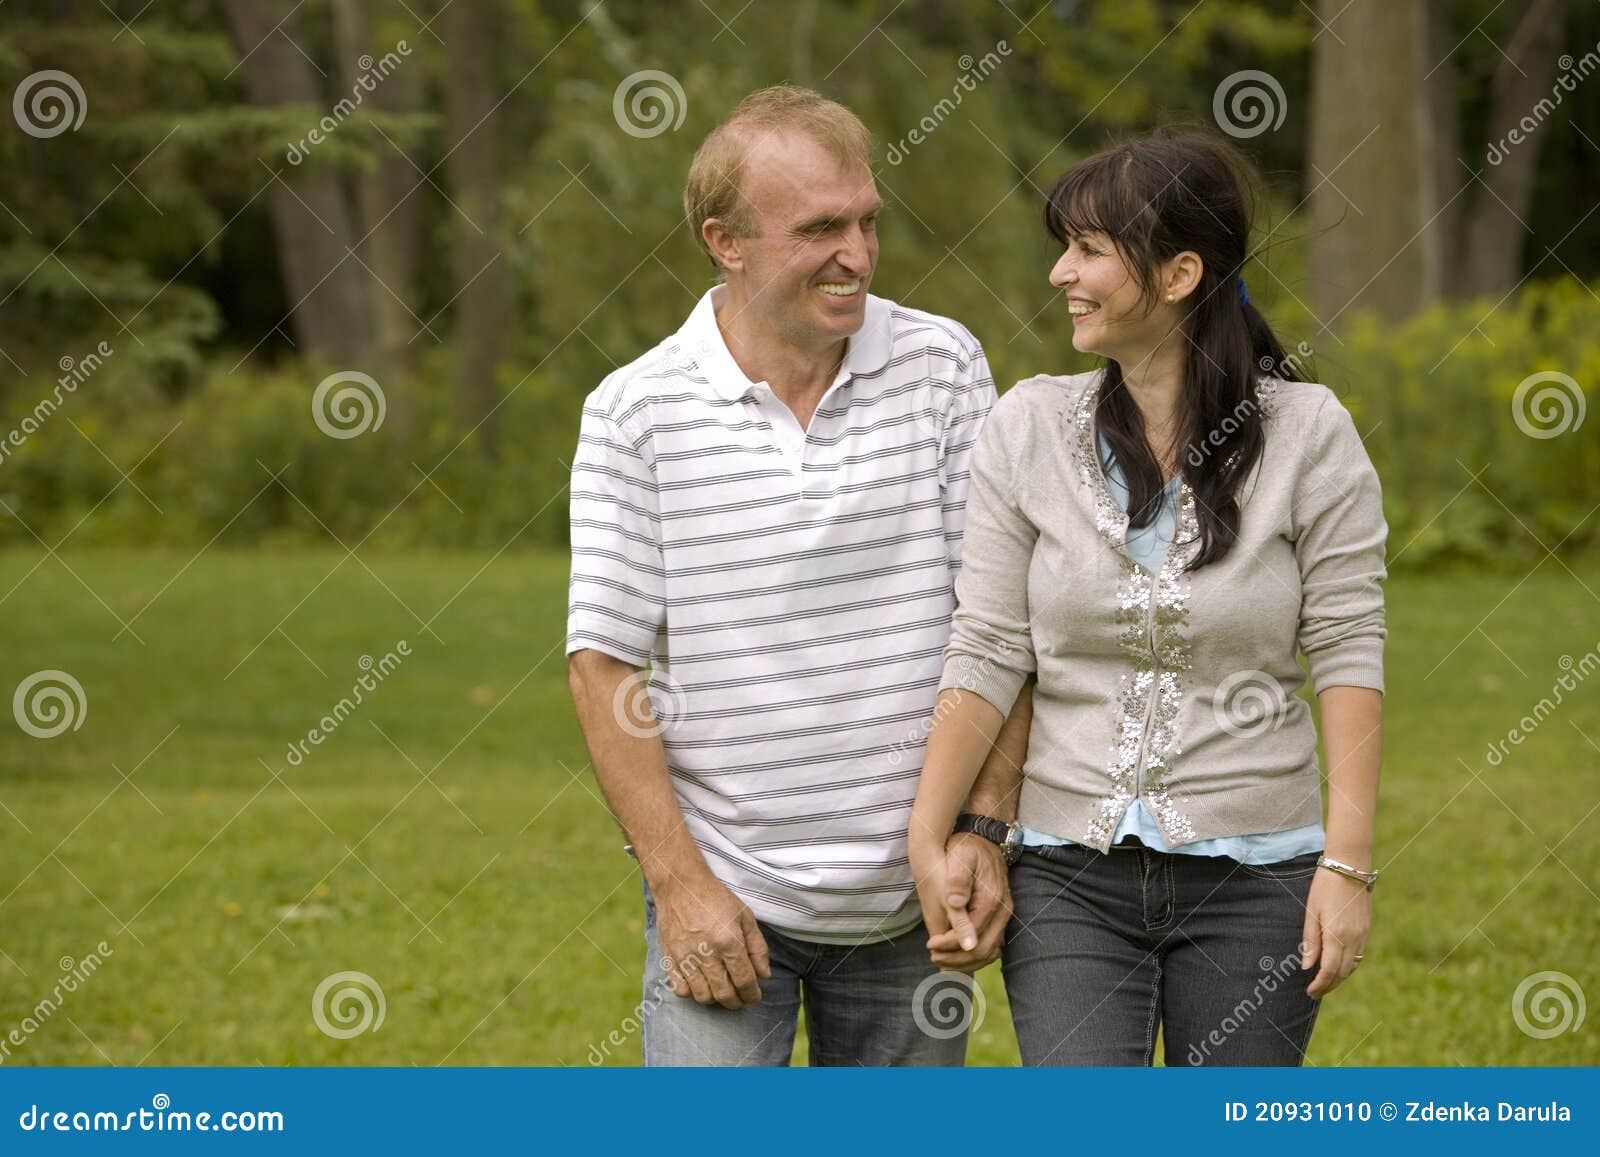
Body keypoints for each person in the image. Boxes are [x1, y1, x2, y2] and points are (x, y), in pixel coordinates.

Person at [566, 85, 1023, 1066]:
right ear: (723, 239)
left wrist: (983, 828)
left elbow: (997, 621)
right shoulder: (634, 411)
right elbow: (603, 667)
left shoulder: (943, 368)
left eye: (866, 222)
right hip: (726, 894)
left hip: (914, 896)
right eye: (820, 228)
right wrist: (681, 885)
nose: (855, 254)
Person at [908, 130, 1388, 1066]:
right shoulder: (1028, 427)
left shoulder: (1308, 434)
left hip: (1259, 874)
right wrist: (935, 836)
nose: (1061, 274)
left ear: (1177, 274)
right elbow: (989, 644)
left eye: (1088, 250)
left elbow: (1348, 646)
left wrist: (1347, 865)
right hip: (1065, 878)